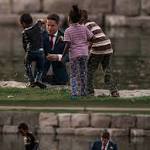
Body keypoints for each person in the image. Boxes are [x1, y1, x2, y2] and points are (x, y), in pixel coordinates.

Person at [80, 10, 119, 97]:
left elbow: (88, 42)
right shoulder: (93, 23)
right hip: (108, 46)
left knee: (89, 70)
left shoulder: (83, 27)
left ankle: (89, 92)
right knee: (107, 70)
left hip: (98, 47)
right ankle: (114, 91)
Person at [62, 5, 93, 97]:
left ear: (69, 19)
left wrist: (63, 55)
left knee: (74, 74)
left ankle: (74, 93)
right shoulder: (84, 28)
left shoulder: (67, 31)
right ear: (80, 18)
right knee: (83, 73)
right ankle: (83, 93)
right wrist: (87, 45)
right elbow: (92, 37)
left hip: (74, 55)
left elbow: (67, 44)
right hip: (84, 53)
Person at [19, 13, 46, 89]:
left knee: (27, 64)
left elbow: (24, 45)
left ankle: (31, 81)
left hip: (31, 52)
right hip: (41, 52)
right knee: (40, 67)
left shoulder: (24, 32)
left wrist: (26, 53)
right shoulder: (38, 25)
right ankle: (38, 79)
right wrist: (41, 21)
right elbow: (42, 20)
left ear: (23, 23)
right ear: (31, 21)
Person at [42, 14, 69, 85]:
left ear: (58, 25)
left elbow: (71, 55)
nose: (50, 28)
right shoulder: (40, 36)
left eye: (52, 26)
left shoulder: (65, 36)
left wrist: (58, 57)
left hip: (60, 76)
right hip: (42, 75)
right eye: (48, 25)